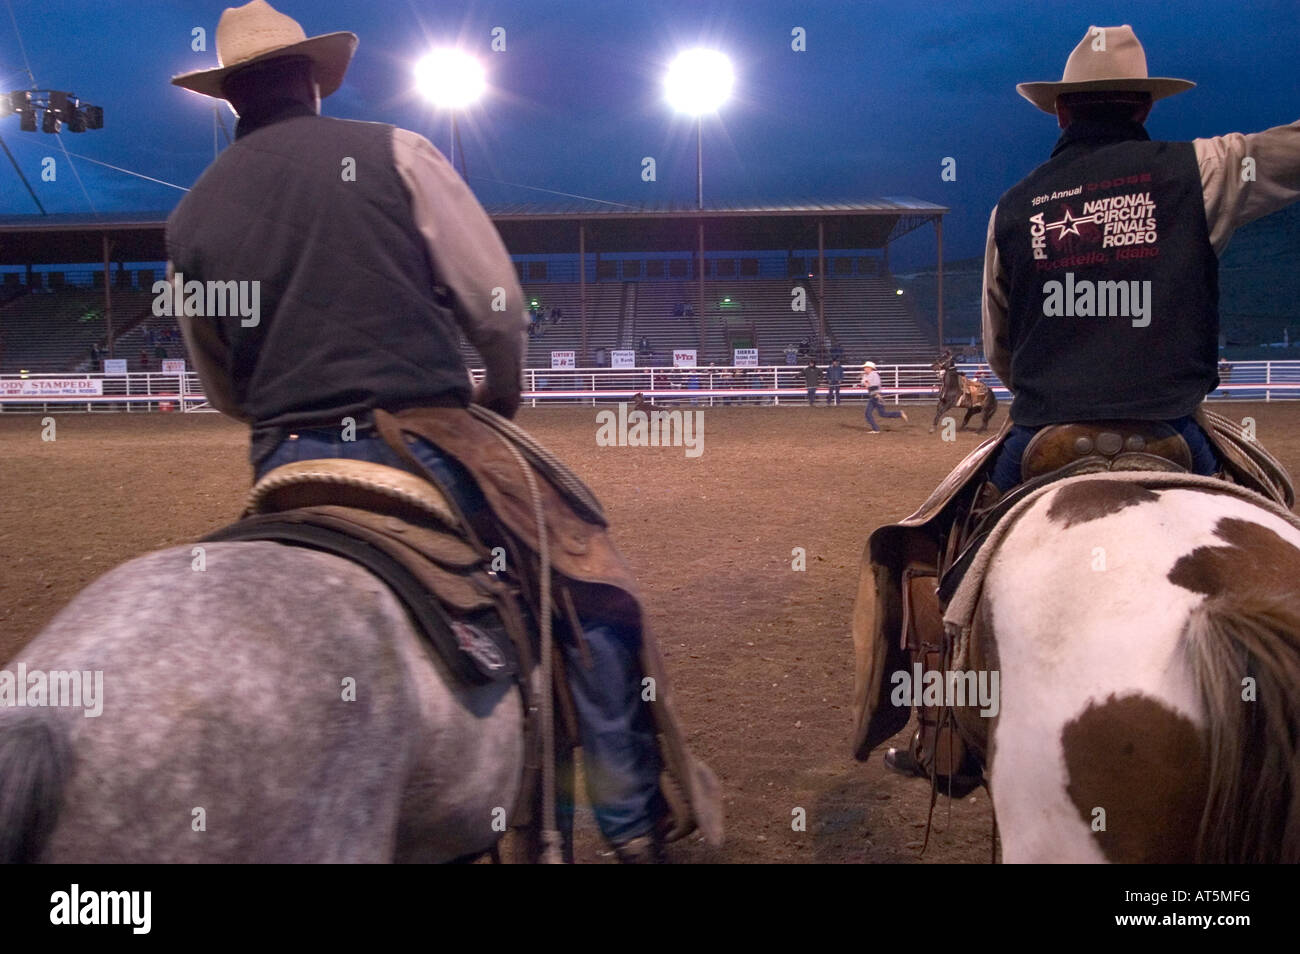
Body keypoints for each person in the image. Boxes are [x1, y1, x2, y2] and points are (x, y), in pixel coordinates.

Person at [166, 0, 716, 862]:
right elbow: (495, 305)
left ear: (229, 96)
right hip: (422, 431)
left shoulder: (191, 216)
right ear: (315, 77)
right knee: (592, 588)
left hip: (283, 454)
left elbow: (219, 383)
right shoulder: (393, 151)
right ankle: (633, 825)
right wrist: (500, 391)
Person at [856, 23, 1300, 795]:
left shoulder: (1013, 206)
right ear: (1144, 106)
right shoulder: (1203, 170)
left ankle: (944, 729)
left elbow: (999, 348)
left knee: (935, 546)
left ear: (1059, 113)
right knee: (1277, 507)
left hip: (1043, 437)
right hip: (1172, 430)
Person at [862, 361, 907, 432]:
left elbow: (874, 386)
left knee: (882, 414)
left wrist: (867, 383)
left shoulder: (875, 375)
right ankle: (876, 429)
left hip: (877, 396)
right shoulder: (866, 375)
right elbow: (864, 383)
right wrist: (866, 383)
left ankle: (899, 414)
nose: (864, 369)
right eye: (864, 367)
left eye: (866, 367)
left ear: (870, 368)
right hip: (873, 396)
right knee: (869, 413)